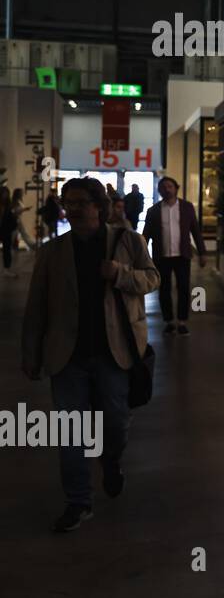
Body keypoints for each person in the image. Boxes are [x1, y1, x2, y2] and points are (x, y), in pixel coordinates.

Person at [21, 177, 159, 532]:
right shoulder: (53, 251)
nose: (74, 209)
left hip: (114, 354)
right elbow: (37, 306)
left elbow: (152, 278)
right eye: (69, 202)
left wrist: (121, 274)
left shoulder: (127, 241)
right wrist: (31, 353)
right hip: (67, 357)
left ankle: (111, 459)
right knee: (71, 432)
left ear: (99, 206)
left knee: (114, 424)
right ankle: (78, 501)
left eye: (82, 202)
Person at [142, 176, 205, 336]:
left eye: (170, 186)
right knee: (164, 289)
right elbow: (146, 235)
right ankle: (169, 321)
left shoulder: (187, 207)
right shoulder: (153, 210)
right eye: (163, 187)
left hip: (182, 255)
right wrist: (141, 256)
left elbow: (195, 231)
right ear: (159, 190)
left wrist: (202, 252)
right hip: (161, 256)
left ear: (176, 188)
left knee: (183, 288)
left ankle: (182, 321)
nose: (167, 189)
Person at [0, 187, 15, 278]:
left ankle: (7, 269)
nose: (5, 196)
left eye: (6, 193)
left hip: (6, 231)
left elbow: (10, 219)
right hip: (4, 230)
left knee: (7, 250)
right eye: (3, 193)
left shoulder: (9, 206)